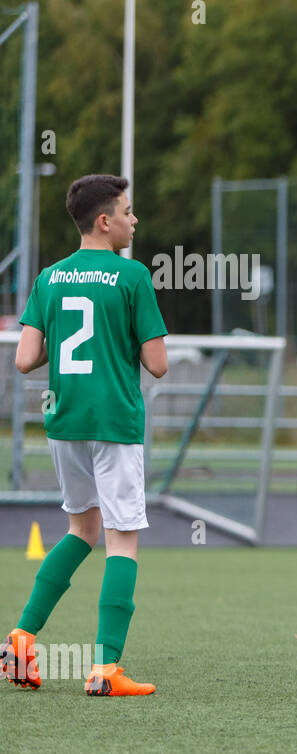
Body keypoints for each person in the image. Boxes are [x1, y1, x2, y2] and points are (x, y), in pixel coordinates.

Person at [3, 174, 167, 696]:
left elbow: (26, 358)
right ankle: (105, 668)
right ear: (105, 221)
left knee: (82, 531)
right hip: (114, 423)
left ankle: (22, 639)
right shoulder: (133, 276)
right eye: (127, 211)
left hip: (64, 422)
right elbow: (158, 365)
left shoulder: (49, 278)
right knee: (122, 538)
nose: (133, 219)